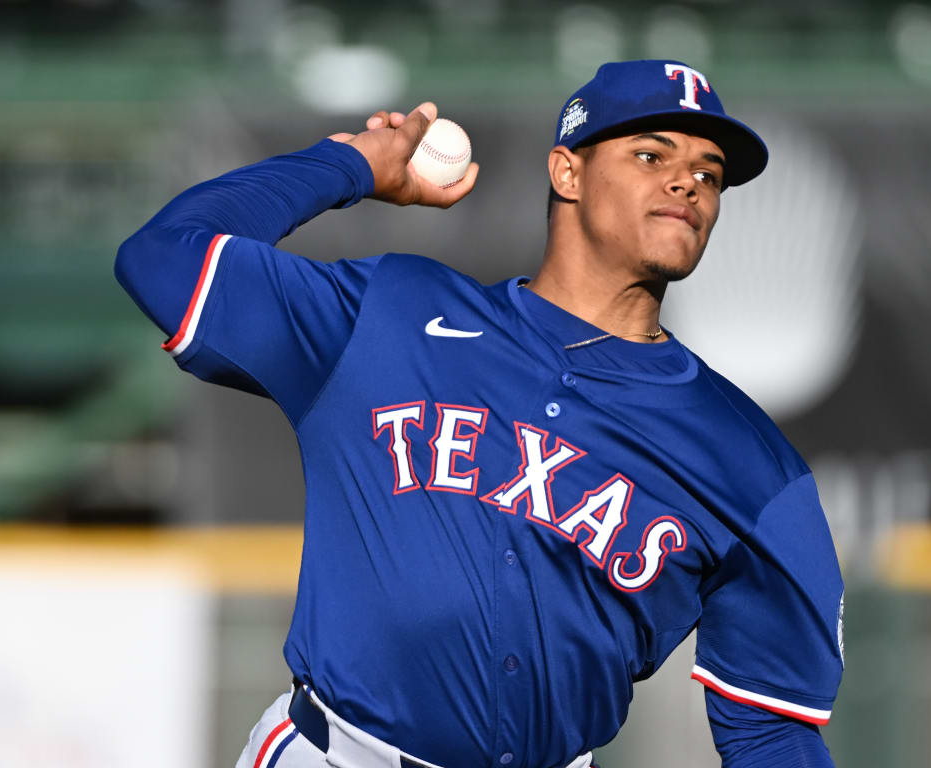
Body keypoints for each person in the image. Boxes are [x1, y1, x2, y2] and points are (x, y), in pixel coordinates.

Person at [116, 59, 843, 768]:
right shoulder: (390, 315)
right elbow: (162, 257)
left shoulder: (752, 463)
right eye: (650, 154)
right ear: (567, 172)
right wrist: (350, 167)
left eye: (709, 174)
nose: (686, 181)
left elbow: (772, 736)